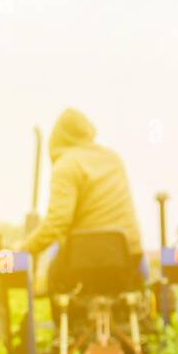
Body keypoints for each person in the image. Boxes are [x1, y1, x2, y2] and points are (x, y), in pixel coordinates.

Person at [20, 108, 145, 290]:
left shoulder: (66, 165)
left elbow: (58, 221)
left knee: (54, 277)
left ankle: (65, 316)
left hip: (82, 258)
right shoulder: (113, 159)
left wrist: (26, 247)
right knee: (140, 279)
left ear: (57, 137)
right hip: (127, 253)